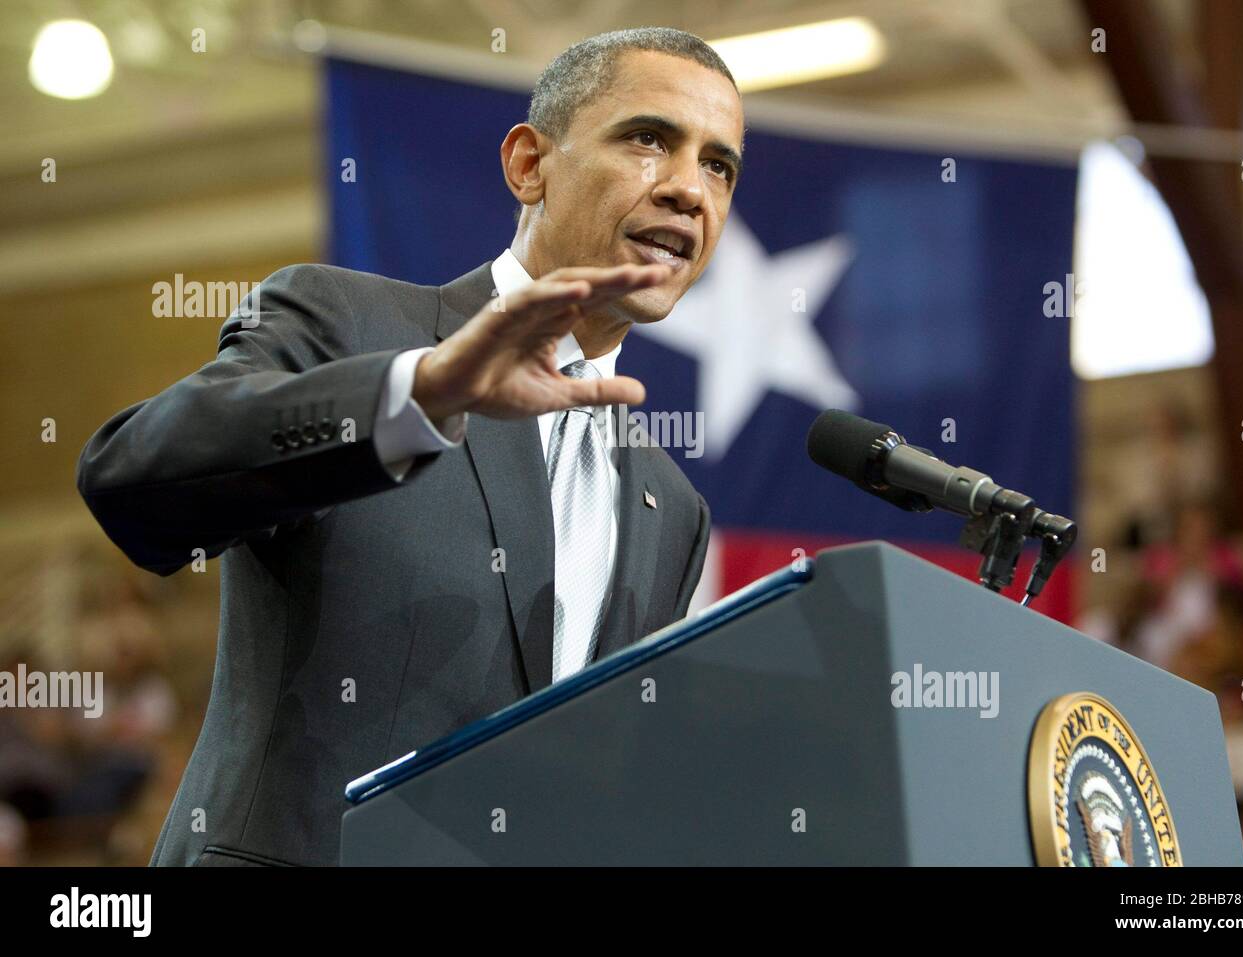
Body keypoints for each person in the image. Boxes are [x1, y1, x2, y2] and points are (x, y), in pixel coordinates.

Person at [75, 27, 744, 866]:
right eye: (649, 139)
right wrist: (416, 397)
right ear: (530, 164)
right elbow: (134, 482)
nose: (689, 188)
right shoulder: (350, 325)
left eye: (719, 165)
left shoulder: (670, 505)